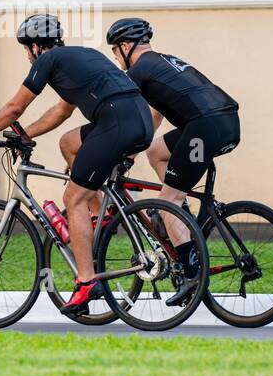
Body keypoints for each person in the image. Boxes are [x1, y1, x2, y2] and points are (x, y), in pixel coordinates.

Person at [0, 14, 153, 315]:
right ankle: (100, 214)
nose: (27, 55)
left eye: (26, 48)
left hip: (115, 123)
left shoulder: (46, 62)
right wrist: (24, 134)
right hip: (139, 121)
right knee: (69, 143)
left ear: (36, 46)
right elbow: (61, 112)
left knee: (71, 198)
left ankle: (87, 281)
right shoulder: (83, 57)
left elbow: (15, 106)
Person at [103, 17, 240, 305]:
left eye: (115, 51)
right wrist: (131, 155)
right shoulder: (162, 62)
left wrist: (113, 153)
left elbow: (130, 121)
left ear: (126, 46)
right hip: (224, 121)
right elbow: (152, 119)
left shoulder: (138, 71)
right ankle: (183, 218)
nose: (116, 58)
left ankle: (191, 275)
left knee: (168, 203)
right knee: (156, 151)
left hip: (205, 129)